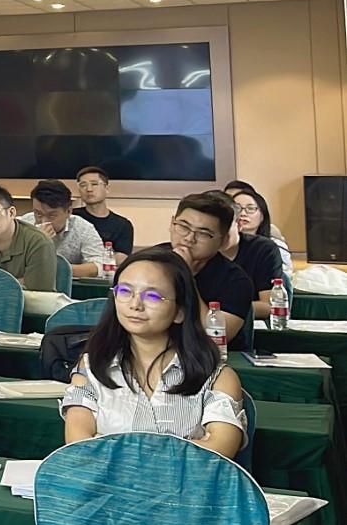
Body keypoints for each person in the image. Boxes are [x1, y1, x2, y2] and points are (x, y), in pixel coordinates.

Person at [60, 247, 245, 458]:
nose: (135, 305)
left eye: (153, 296)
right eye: (125, 291)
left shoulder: (217, 376)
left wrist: (114, 449)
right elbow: (79, 446)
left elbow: (218, 451)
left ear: (180, 311)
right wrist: (182, 449)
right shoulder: (92, 365)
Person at [157, 191, 253, 348]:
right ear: (172, 224)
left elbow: (216, 337)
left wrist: (185, 275)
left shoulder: (235, 281)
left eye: (203, 233)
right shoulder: (148, 262)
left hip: (208, 358)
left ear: (223, 241)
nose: (189, 238)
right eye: (183, 227)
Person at [19, 179, 110, 279]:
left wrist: (57, 269)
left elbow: (98, 266)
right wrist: (37, 243)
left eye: (52, 215)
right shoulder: (23, 224)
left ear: (69, 211)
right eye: (38, 214)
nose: (44, 221)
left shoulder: (83, 228)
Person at [217, 194, 284, 320]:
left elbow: (270, 306)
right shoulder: (196, 249)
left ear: (238, 224)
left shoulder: (263, 249)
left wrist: (216, 309)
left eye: (223, 228)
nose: (217, 236)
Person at [229, 184, 294, 282]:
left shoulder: (273, 247)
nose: (243, 213)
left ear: (262, 216)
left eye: (250, 209)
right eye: (237, 208)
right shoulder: (223, 246)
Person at [73, 166, 133, 262]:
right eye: (83, 185)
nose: (89, 189)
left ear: (107, 188)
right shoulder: (72, 217)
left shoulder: (122, 225)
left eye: (94, 184)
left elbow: (120, 259)